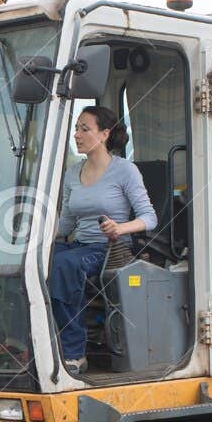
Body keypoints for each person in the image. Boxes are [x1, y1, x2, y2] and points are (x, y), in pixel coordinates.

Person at [50, 106, 156, 374]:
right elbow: (67, 223)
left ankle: (74, 353)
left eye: (84, 129)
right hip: (80, 246)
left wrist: (119, 228)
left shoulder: (125, 171)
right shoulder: (72, 174)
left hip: (110, 248)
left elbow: (149, 218)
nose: (77, 134)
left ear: (105, 134)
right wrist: (38, 241)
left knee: (63, 266)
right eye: (76, 128)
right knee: (40, 263)